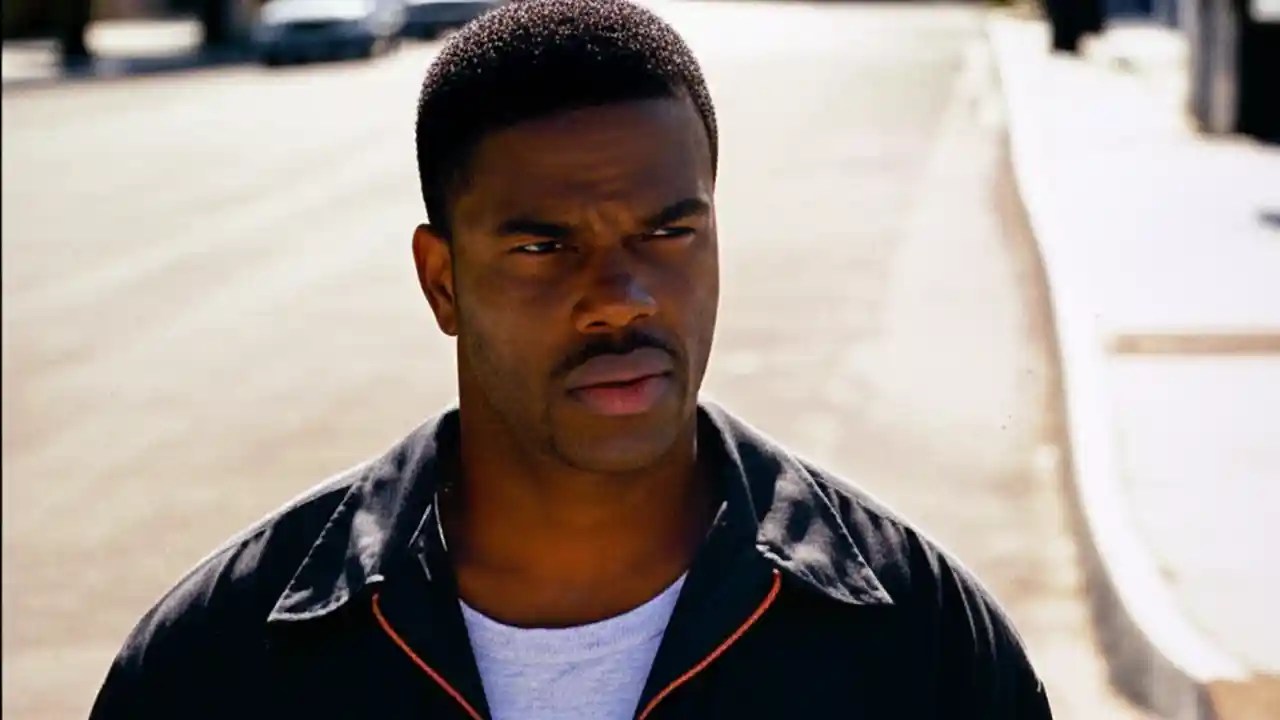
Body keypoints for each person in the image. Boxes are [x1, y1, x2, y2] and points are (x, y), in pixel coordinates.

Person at [89, 0, 1054, 717]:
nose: (621, 298)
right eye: (545, 248)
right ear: (443, 283)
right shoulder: (223, 666)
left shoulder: (915, 647)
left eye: (669, 234)